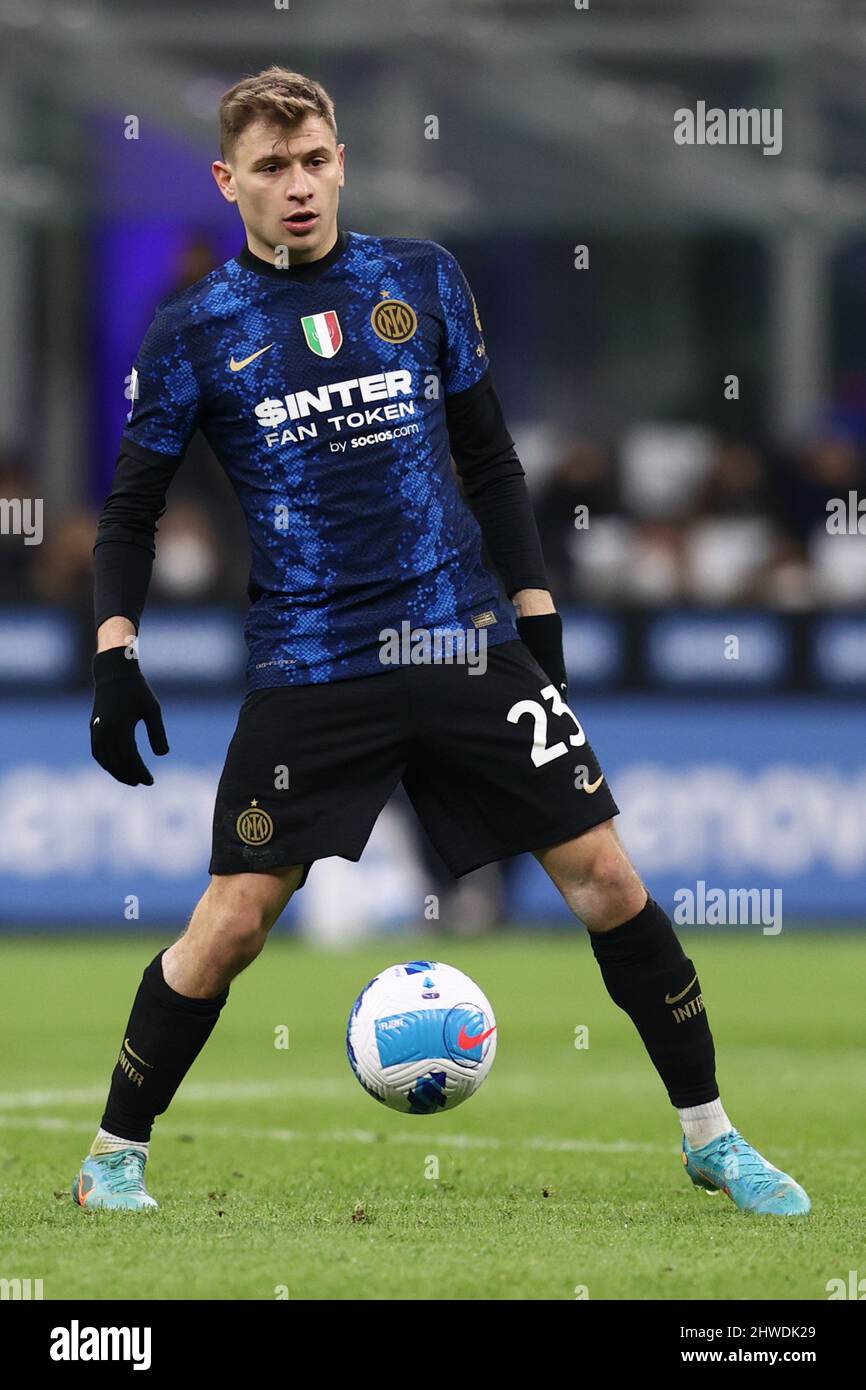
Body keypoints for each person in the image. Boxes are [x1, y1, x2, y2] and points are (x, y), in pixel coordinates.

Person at [74, 67, 809, 1217]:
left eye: (314, 158)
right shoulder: (194, 332)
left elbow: (492, 459)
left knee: (609, 877)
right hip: (313, 666)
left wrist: (535, 605)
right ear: (229, 182)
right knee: (228, 926)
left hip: (462, 642)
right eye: (271, 168)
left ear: (342, 160)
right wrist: (116, 648)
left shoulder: (418, 279)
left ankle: (711, 1138)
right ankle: (112, 1156)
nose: (299, 184)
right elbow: (130, 510)